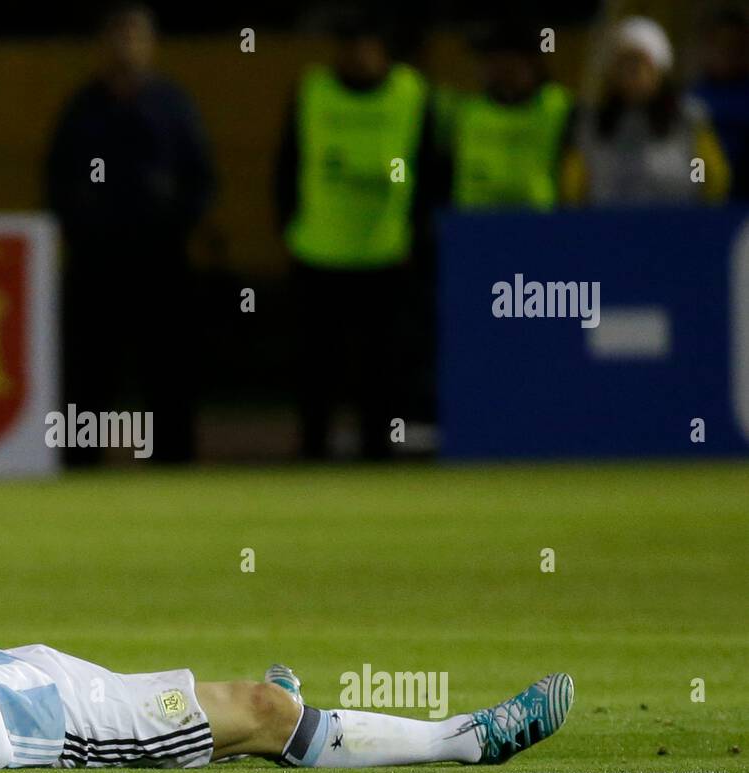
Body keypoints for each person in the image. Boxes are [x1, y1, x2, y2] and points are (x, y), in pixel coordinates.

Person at [0, 567, 575, 773]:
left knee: (250, 705)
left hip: (61, 681)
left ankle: (289, 716)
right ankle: (466, 741)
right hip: (81, 728)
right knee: (255, 709)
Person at [45, 4, 215, 465]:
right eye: (117, 37)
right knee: (87, 369)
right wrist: (83, 223)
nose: (126, 48)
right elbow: (57, 182)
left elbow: (200, 178)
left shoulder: (173, 106)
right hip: (95, 262)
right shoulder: (81, 108)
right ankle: (79, 464)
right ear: (102, 46)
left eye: (135, 37)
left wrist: (176, 221)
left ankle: (175, 461)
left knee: (168, 368)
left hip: (160, 260)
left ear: (151, 45)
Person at [274, 11, 432, 460]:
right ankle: (312, 451)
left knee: (382, 367)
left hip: (385, 252)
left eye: (367, 45)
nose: (358, 55)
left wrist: (412, 231)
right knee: (315, 366)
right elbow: (289, 163)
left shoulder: (410, 93)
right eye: (350, 45)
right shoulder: (314, 91)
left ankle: (378, 452)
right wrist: (289, 225)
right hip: (318, 250)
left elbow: (422, 169)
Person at [562, 16, 729, 206]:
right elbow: (574, 185)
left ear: (660, 69)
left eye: (640, 64)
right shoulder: (593, 123)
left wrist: (699, 209)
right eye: (623, 64)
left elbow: (712, 179)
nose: (631, 72)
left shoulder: (688, 119)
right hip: (606, 228)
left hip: (677, 224)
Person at [434, 20, 574, 211]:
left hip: (537, 225)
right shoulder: (466, 112)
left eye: (503, 60)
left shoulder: (557, 106)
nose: (493, 69)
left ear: (529, 61)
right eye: (488, 60)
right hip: (473, 225)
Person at [693, 5, 749, 201]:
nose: (726, 53)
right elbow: (695, 159)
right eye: (719, 45)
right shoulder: (693, 99)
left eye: (735, 46)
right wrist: (698, 189)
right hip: (709, 203)